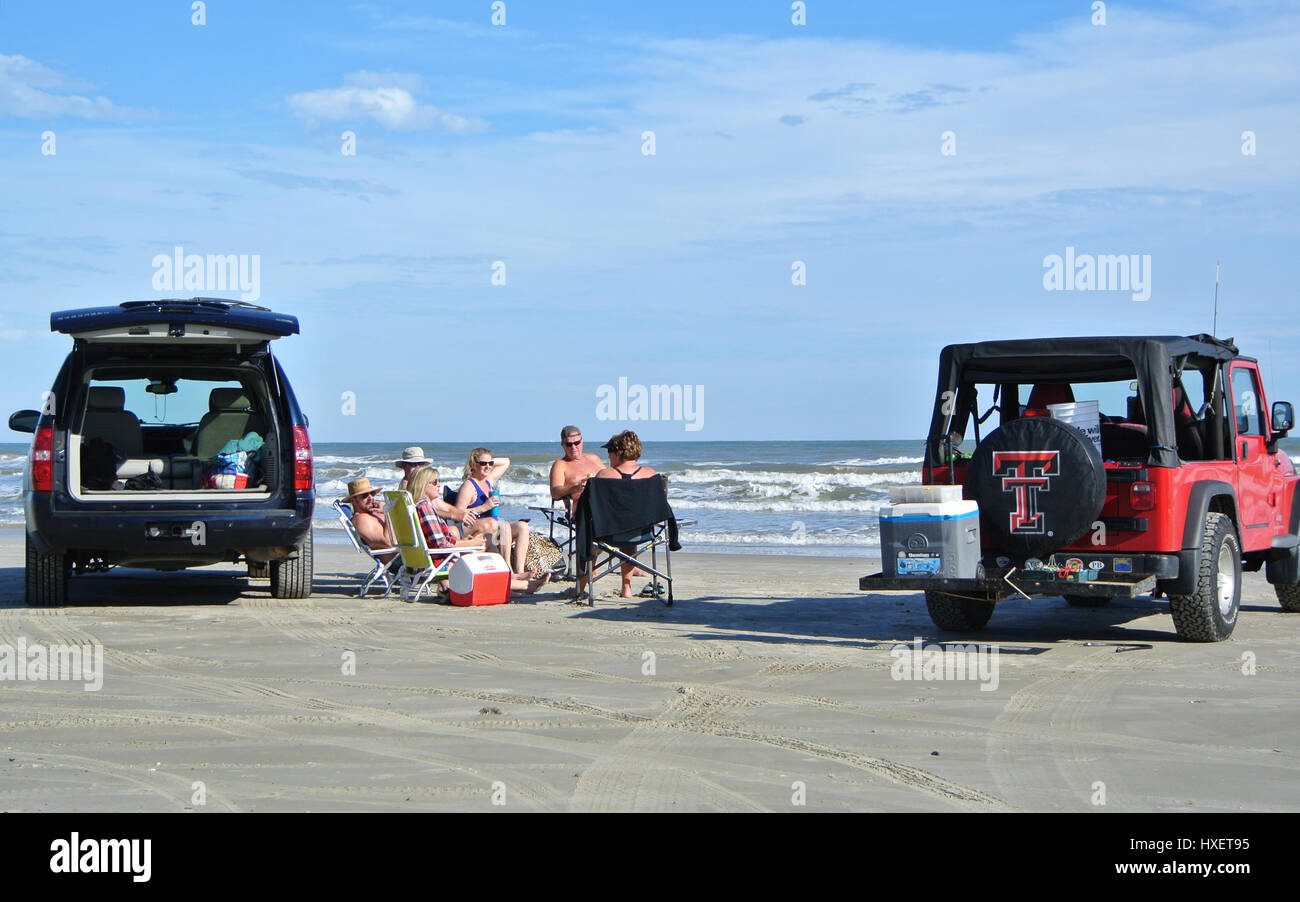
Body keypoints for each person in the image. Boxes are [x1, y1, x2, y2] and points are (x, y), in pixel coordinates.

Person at [407, 467, 549, 595]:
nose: (439, 484)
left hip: (422, 562)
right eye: (435, 481)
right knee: (485, 557)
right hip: (440, 563)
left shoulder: (415, 506)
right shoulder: (425, 508)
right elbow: (442, 545)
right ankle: (521, 584)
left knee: (486, 541)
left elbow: (437, 542)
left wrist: (464, 542)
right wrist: (472, 543)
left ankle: (512, 581)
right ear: (424, 484)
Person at [576, 430, 658, 598]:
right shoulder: (651, 474)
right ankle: (626, 588)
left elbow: (589, 509)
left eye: (609, 452)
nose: (608, 457)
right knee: (629, 533)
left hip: (608, 533)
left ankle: (579, 589)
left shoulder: (604, 475)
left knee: (588, 537)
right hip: (643, 532)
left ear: (618, 452)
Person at [455, 447, 534, 575]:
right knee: (504, 527)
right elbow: (458, 514)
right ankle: (508, 572)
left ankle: (519, 571)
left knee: (522, 527)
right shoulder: (469, 486)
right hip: (474, 528)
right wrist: (484, 507)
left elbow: (506, 462)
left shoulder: (488, 481)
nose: (488, 467)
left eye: (490, 463)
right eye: (482, 463)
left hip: (492, 526)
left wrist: (487, 460)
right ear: (473, 465)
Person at [549, 426, 604, 514]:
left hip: (605, 503)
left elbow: (609, 478)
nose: (573, 447)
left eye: (577, 443)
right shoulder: (560, 465)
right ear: (562, 444)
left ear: (582, 441)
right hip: (584, 509)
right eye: (569, 444)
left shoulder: (594, 458)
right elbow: (555, 492)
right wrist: (575, 488)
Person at [346, 477, 396, 563]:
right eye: (365, 496)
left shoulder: (372, 514)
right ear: (353, 500)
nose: (371, 498)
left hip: (407, 552)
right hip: (400, 560)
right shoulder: (362, 519)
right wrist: (388, 511)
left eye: (372, 494)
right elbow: (389, 542)